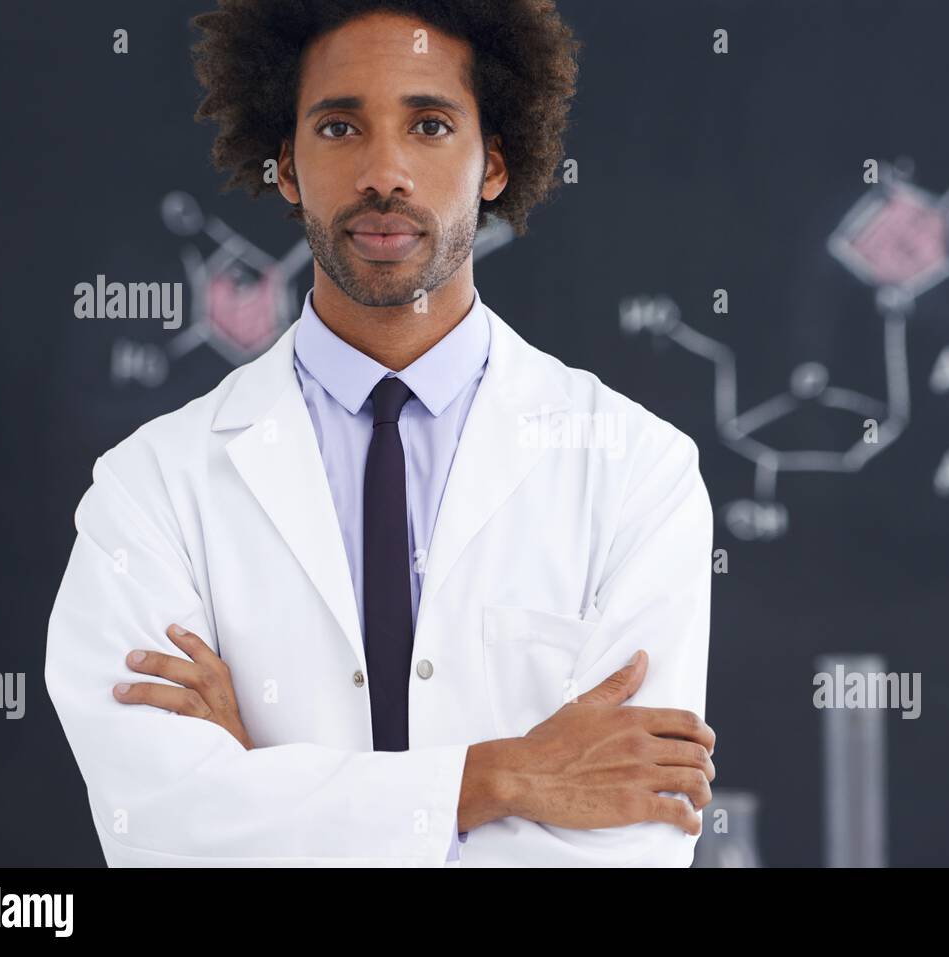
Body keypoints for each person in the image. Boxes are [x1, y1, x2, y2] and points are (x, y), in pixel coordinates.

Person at [45, 0, 715, 867]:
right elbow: (163, 827)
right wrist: (497, 778)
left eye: (430, 124)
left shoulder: (636, 471)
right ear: (285, 165)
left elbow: (624, 839)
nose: (384, 171)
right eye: (338, 127)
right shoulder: (151, 488)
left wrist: (261, 783)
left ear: (495, 162)